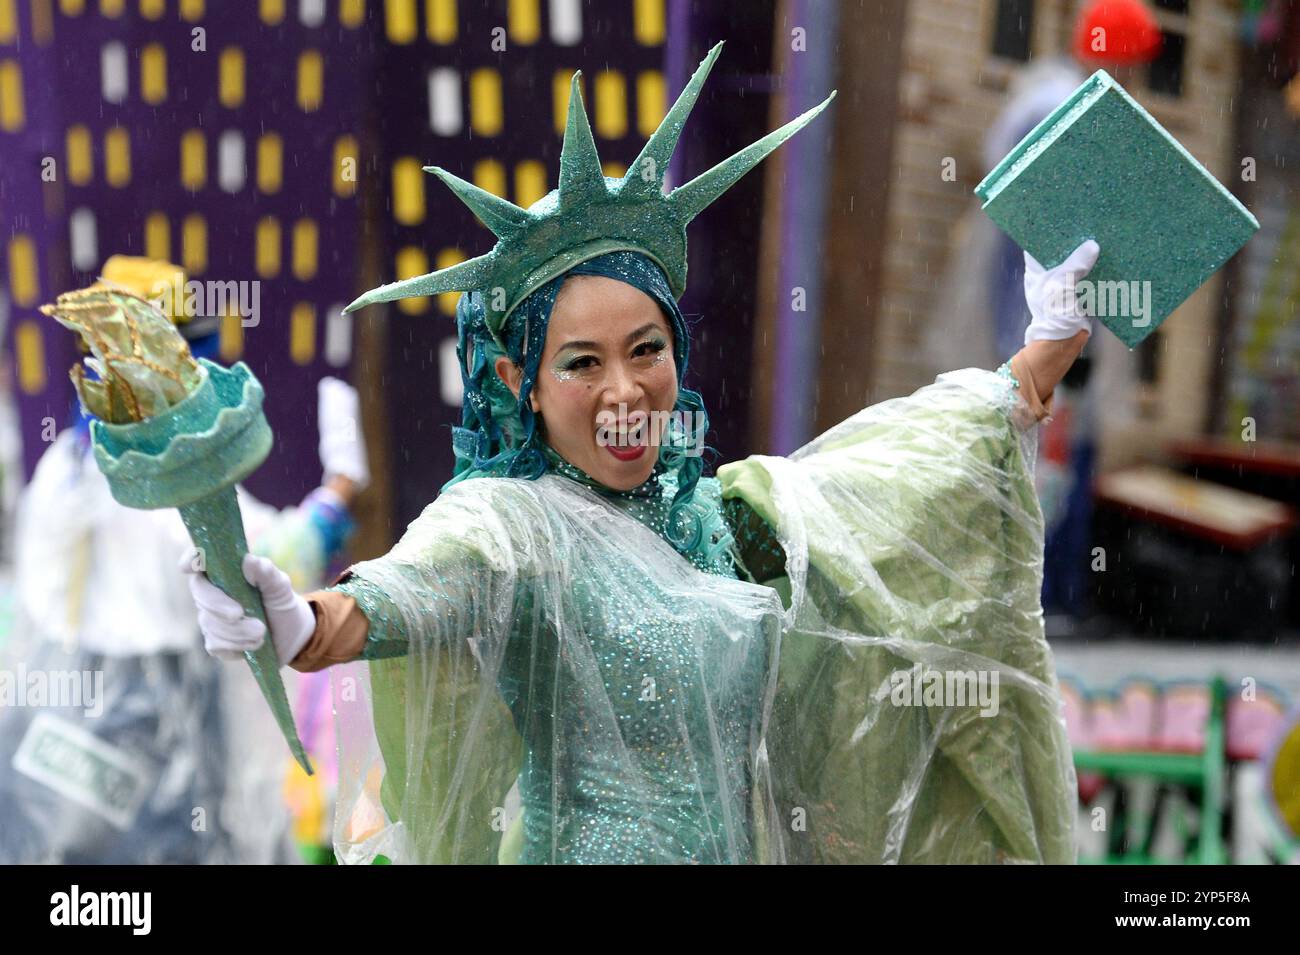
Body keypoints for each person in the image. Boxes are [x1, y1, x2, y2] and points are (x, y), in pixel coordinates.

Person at [186, 43, 1093, 864]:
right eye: (582, 362)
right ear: (521, 380)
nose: (624, 390)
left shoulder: (725, 521)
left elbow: (893, 489)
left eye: (645, 350)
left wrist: (1042, 349)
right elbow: (406, 594)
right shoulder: (515, 523)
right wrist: (299, 625)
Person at [0, 256, 369, 863]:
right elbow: (276, 562)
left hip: (63, 705)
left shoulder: (60, 468)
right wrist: (341, 487)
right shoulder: (171, 493)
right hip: (157, 714)